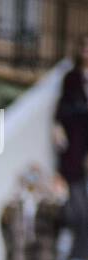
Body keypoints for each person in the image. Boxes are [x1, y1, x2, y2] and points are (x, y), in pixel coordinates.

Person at [54, 38, 88, 186]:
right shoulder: (72, 77)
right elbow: (63, 103)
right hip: (76, 131)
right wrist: (57, 125)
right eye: (84, 45)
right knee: (73, 172)